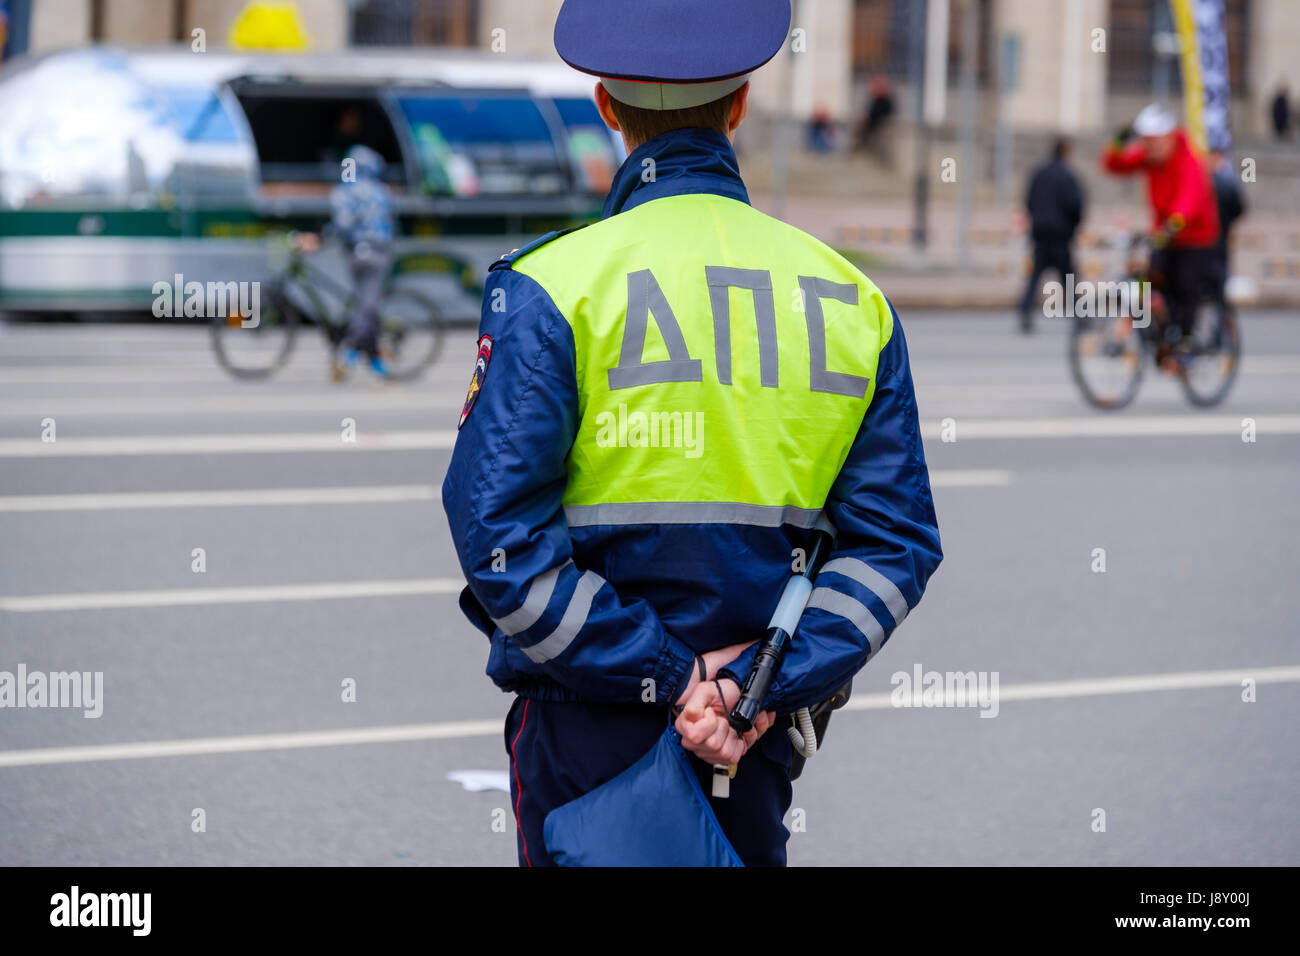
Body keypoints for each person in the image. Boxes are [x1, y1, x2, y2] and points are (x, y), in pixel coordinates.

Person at [442, 0, 942, 867]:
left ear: (605, 106)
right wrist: (752, 686)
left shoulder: (551, 286)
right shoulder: (849, 298)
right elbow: (894, 546)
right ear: (741, 104)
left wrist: (672, 676)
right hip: (751, 735)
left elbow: (498, 545)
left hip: (583, 732)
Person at [1101, 104, 1220, 366]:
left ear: (1168, 137)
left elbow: (1189, 200)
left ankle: (1185, 342)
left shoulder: (1188, 159)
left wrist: (1173, 224)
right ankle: (1159, 327)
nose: (1148, 147)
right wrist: (1119, 142)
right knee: (1149, 279)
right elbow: (1114, 165)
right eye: (1144, 141)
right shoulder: (1149, 157)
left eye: (1153, 141)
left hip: (1195, 238)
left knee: (1186, 286)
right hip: (1164, 235)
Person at [327, 144, 395, 379]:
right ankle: (356, 356)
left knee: (367, 307)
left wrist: (323, 237)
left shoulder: (344, 192)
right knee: (369, 307)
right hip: (379, 252)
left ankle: (360, 357)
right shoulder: (380, 191)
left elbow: (342, 225)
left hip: (356, 252)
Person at [1018, 136, 1085, 333]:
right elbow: (1075, 205)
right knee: (1068, 276)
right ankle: (1080, 316)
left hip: (1040, 231)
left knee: (1035, 275)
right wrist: (1073, 227)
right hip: (1060, 234)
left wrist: (1037, 221)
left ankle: (1025, 312)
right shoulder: (1067, 175)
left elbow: (1029, 200)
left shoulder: (1039, 173)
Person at [1206, 149, 1246, 316]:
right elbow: (1240, 208)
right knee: (1219, 276)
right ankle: (1222, 313)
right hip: (1221, 235)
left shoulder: (1205, 182)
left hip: (1206, 237)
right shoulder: (1228, 183)